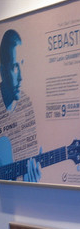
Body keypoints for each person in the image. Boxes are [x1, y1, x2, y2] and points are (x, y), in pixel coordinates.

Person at [0, 29, 41, 182]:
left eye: (23, 64)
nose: (22, 77)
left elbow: (26, 162)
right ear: (2, 70)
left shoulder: (26, 106)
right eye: (15, 67)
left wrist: (29, 182)